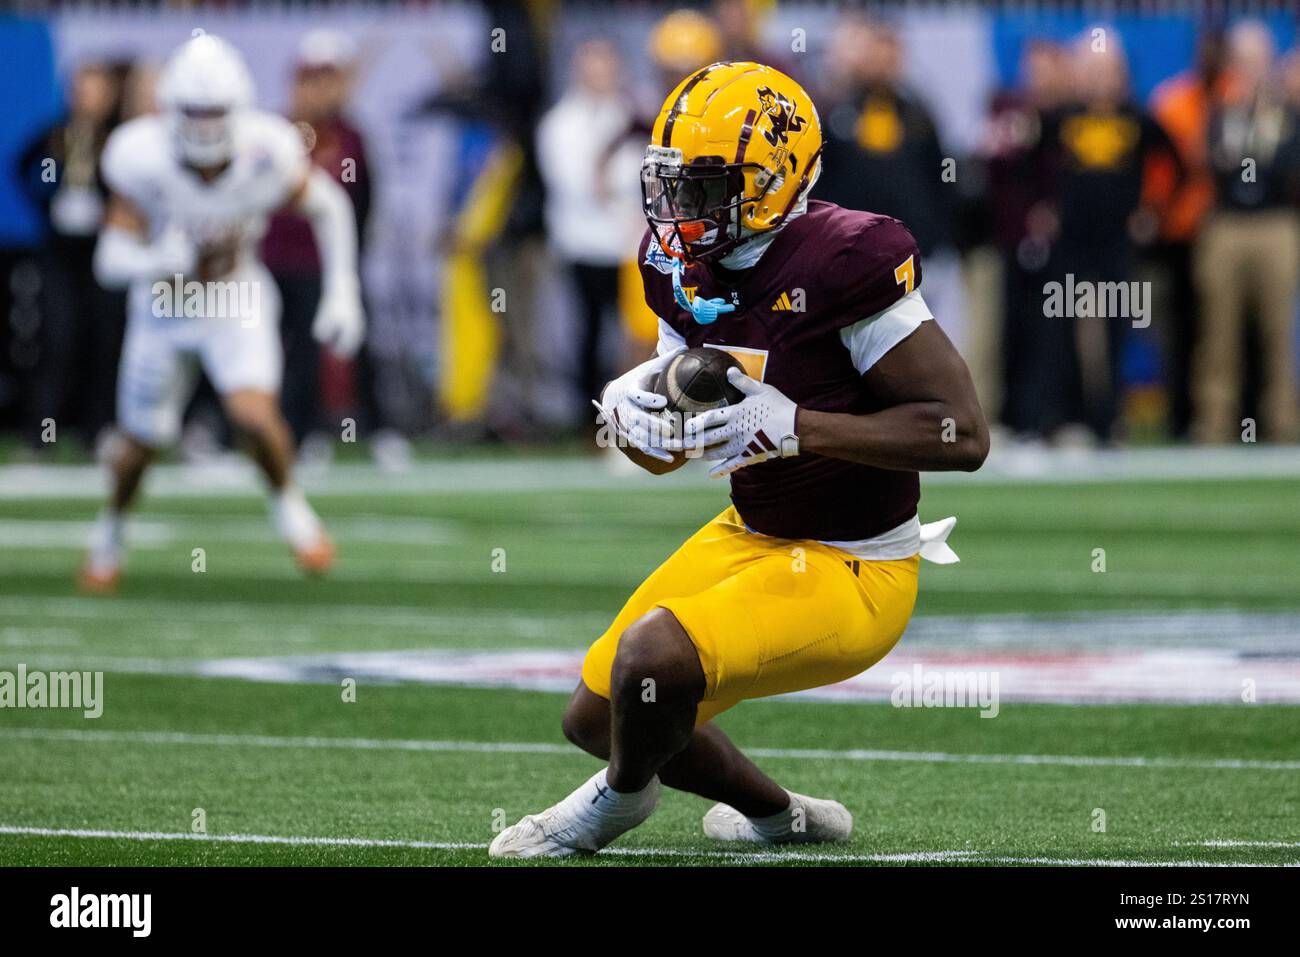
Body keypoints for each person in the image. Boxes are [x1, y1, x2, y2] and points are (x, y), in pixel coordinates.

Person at [490, 63, 987, 858]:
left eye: (705, 187)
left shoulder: (843, 261)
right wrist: (631, 423)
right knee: (597, 715)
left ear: (772, 180)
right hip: (750, 527)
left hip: (856, 564)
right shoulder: (681, 267)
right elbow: (671, 456)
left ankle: (617, 804)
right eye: (675, 184)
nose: (682, 209)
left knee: (651, 657)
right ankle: (781, 815)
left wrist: (800, 425)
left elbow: (963, 434)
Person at [80, 34, 364, 592]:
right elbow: (109, 259)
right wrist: (156, 259)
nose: (207, 124)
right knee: (140, 444)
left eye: (216, 111)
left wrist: (343, 290)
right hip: (164, 304)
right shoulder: (141, 154)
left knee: (254, 415)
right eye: (196, 111)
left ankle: (292, 511)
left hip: (236, 295)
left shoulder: (268, 147)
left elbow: (329, 204)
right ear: (172, 108)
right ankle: (110, 530)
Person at [261, 29, 373, 451]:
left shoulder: (349, 136)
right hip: (274, 259)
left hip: (323, 261)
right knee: (266, 349)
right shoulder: (275, 133)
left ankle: (323, 430)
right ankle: (259, 429)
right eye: (309, 80)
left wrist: (350, 263)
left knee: (325, 348)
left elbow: (362, 201)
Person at [1193, 21, 1300, 443]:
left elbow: (1284, 167)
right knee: (1220, 330)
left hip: (1275, 223)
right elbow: (1217, 166)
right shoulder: (1222, 112)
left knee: (1280, 328)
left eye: (1257, 59)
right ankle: (1217, 419)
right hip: (1228, 224)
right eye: (1243, 60)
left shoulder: (1286, 113)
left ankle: (1284, 419)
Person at [19, 61, 129, 453]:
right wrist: (48, 202)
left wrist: (109, 208)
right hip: (61, 254)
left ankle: (97, 431)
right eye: (83, 89)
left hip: (103, 254)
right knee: (57, 339)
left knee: (105, 340)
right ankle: (42, 433)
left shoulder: (116, 139)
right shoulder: (56, 136)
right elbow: (26, 167)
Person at [537, 39, 641, 422]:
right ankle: (590, 421)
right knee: (589, 334)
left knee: (636, 336)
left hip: (629, 244)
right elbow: (577, 186)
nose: (601, 75)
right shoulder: (560, 123)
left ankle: (634, 419)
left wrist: (609, 183)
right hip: (583, 244)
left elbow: (641, 177)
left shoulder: (631, 114)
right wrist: (610, 183)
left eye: (607, 66)